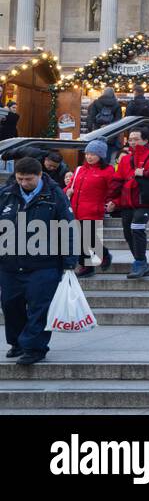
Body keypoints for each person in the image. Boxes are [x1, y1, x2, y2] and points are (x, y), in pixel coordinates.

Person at [0, 156, 76, 365]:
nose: (24, 183)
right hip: (10, 263)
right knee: (10, 305)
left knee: (39, 306)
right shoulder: (6, 194)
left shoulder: (55, 196)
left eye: (28, 179)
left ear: (40, 175)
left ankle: (35, 347)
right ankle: (17, 343)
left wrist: (70, 261)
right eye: (20, 179)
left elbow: (69, 228)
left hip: (44, 263)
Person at [106, 128, 149, 279]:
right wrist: (113, 201)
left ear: (145, 140)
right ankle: (142, 262)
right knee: (128, 233)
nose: (132, 142)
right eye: (130, 139)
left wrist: (145, 172)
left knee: (137, 227)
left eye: (136, 139)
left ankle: (139, 263)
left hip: (145, 201)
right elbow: (117, 182)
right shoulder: (126, 159)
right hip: (127, 202)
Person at [67, 139, 115, 278]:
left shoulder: (107, 170)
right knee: (81, 239)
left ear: (101, 155)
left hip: (93, 209)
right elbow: (70, 186)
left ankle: (100, 257)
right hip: (75, 209)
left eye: (93, 154)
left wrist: (113, 202)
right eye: (87, 153)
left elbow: (114, 189)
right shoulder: (79, 170)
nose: (89, 157)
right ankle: (88, 266)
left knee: (88, 238)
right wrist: (66, 192)